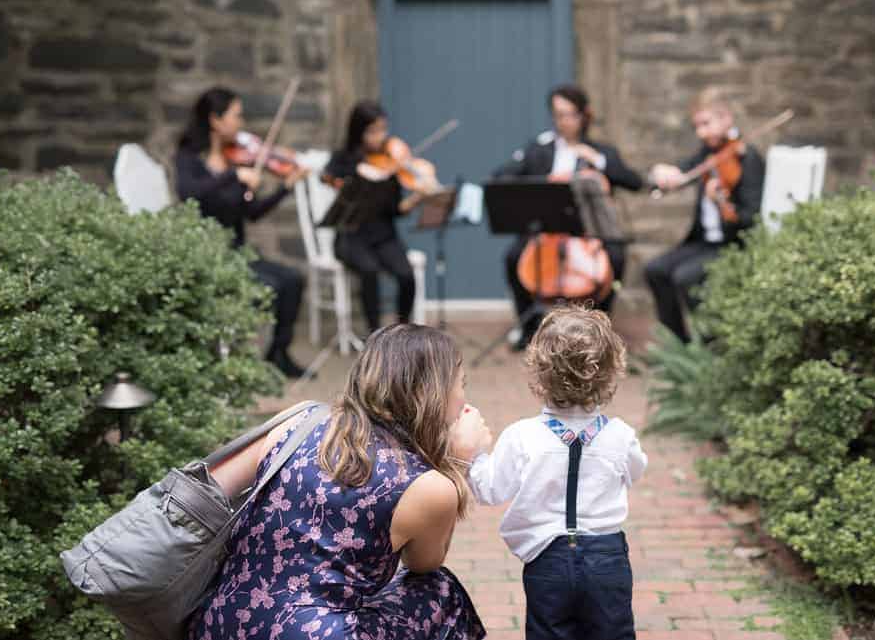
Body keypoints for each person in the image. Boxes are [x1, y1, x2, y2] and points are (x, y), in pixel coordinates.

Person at [188, 323, 493, 640]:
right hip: (316, 634)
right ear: (429, 394)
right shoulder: (427, 486)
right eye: (462, 384)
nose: (464, 398)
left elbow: (211, 486)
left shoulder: (300, 421)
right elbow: (423, 563)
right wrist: (458, 461)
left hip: (218, 624)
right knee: (440, 590)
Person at [467, 305, 647, 640]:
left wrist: (471, 455)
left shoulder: (521, 436)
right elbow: (636, 470)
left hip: (547, 560)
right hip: (607, 559)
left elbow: (488, 489)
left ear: (539, 370)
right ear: (610, 373)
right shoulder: (620, 435)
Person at [494, 84, 644, 350]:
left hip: (589, 234)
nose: (563, 121)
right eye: (558, 115)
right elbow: (502, 175)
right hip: (547, 232)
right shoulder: (540, 149)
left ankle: (599, 325)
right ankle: (529, 329)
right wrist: (541, 183)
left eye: (569, 114)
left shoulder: (602, 151)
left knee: (617, 256)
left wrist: (598, 161)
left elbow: (633, 181)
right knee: (512, 257)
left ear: (584, 115)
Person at [175, 86, 309, 378]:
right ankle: (238, 359)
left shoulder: (236, 157)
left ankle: (279, 353)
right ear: (215, 120)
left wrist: (285, 188)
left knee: (293, 280)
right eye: (236, 116)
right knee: (270, 287)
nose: (241, 123)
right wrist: (232, 175)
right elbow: (189, 193)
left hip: (238, 251)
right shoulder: (190, 158)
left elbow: (252, 213)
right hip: (210, 255)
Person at [642, 87, 766, 343]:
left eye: (706, 124)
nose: (701, 132)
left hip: (732, 245)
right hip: (702, 243)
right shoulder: (708, 153)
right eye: (697, 126)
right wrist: (664, 173)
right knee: (654, 270)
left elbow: (749, 219)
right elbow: (685, 170)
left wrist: (720, 200)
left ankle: (711, 346)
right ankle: (679, 346)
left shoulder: (748, 158)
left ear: (726, 118)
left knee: (684, 277)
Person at [323, 100, 436, 333]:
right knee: (369, 271)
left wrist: (417, 199)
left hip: (383, 234)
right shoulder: (344, 158)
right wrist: (349, 181)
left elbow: (396, 210)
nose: (380, 136)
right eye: (373, 131)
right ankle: (374, 335)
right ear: (359, 131)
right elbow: (327, 177)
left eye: (383, 129)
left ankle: (402, 330)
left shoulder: (391, 161)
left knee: (406, 275)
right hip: (351, 235)